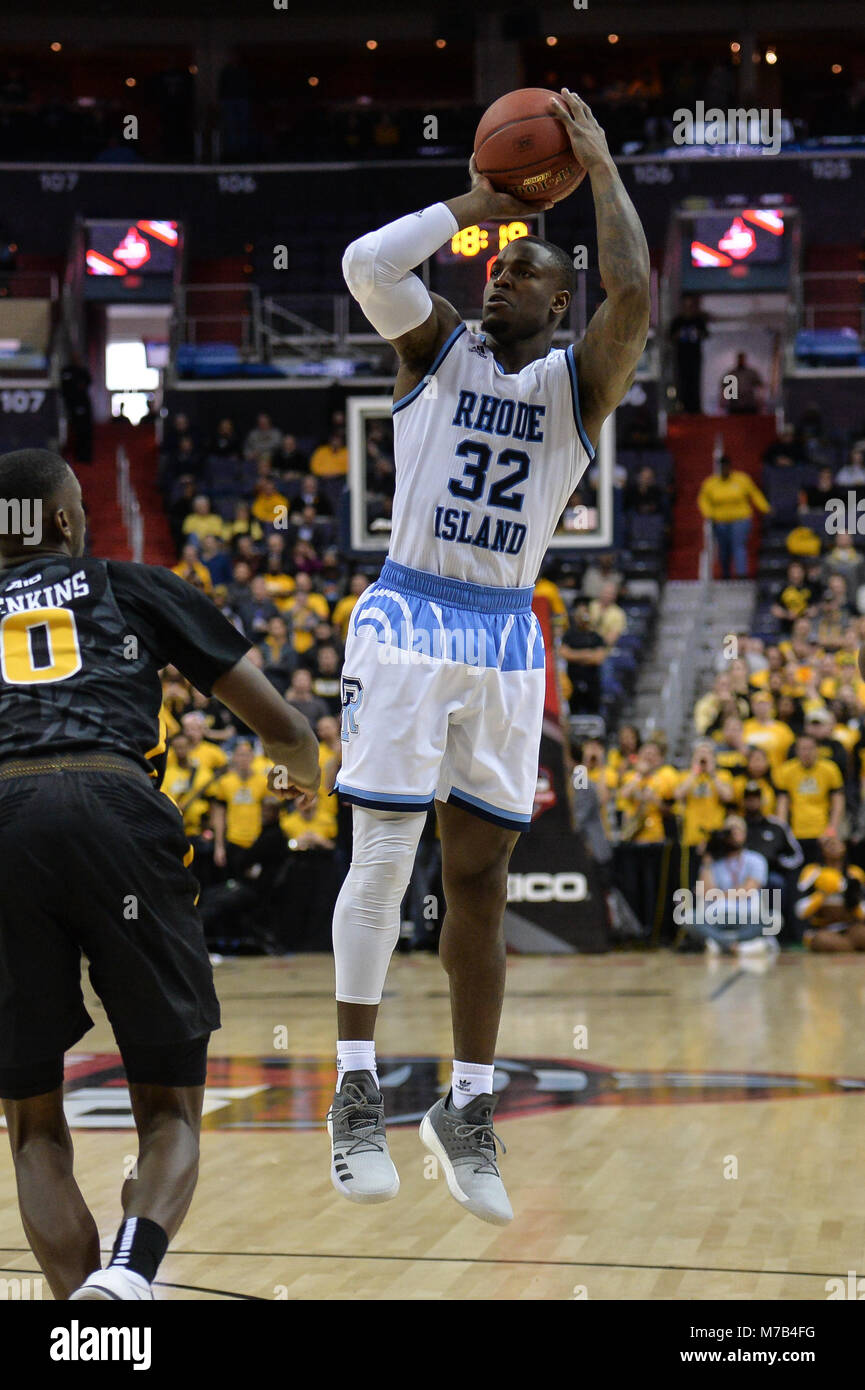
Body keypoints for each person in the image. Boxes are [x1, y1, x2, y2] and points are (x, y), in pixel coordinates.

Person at [334, 86, 649, 1221]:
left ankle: (467, 1103)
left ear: (563, 305)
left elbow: (637, 293)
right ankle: (354, 1088)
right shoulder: (434, 349)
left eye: (526, 270)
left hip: (508, 636)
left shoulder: (577, 389)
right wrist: (475, 198)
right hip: (410, 618)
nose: (499, 273)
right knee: (383, 859)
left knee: (478, 878)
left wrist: (600, 164)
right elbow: (370, 264)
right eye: (493, 264)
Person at [0, 448, 320, 1301]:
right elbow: (281, 722)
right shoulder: (127, 584)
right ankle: (131, 1277)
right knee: (171, 1111)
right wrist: (303, 771)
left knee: (32, 1124)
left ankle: (85, 1325)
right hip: (116, 810)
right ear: (65, 522)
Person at [775, 732, 845, 865]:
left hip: (822, 833)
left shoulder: (830, 769)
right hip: (796, 832)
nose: (807, 752)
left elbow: (838, 802)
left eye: (810, 748)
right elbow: (782, 804)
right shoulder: (786, 770)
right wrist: (783, 833)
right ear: (797, 750)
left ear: (818, 749)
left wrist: (832, 829)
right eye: (803, 748)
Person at [697, 454, 770, 579]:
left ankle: (742, 575)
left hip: (740, 519)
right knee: (724, 550)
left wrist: (766, 508)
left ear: (730, 467)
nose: (724, 469)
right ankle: (725, 574)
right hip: (720, 521)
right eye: (722, 467)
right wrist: (709, 514)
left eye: (726, 466)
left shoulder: (742, 479)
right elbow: (703, 500)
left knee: (739, 546)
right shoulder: (711, 483)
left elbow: (755, 494)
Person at [560, 600, 607, 713]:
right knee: (573, 712)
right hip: (572, 680)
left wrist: (575, 655)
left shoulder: (596, 637)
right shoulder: (569, 635)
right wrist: (587, 654)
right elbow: (564, 653)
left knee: (593, 711)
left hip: (592, 682)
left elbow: (599, 658)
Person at [668, 293, 709, 414]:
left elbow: (705, 334)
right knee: (682, 381)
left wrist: (697, 333)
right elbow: (670, 336)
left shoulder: (698, 320)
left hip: (695, 356)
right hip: (681, 356)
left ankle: (695, 407)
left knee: (695, 381)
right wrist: (679, 335)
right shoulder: (677, 321)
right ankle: (682, 406)